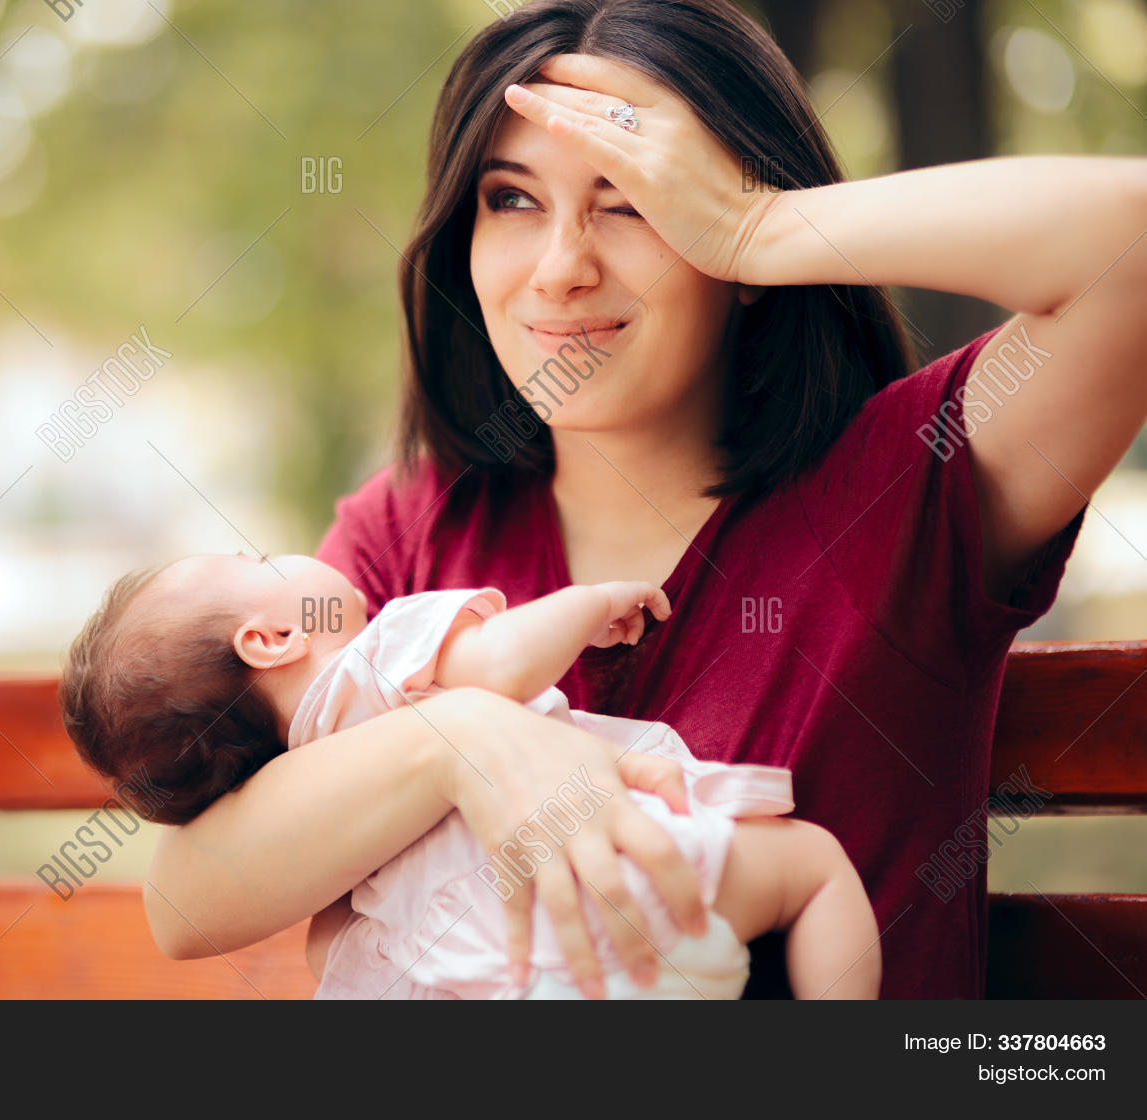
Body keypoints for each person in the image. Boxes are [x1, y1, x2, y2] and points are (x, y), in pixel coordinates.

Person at [142, 0, 1146, 999]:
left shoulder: (909, 482)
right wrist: (467, 745)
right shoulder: (412, 529)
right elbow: (186, 903)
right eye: (511, 198)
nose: (560, 270)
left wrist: (757, 225)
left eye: (628, 202)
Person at [58, 550, 880, 998]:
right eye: (261, 559)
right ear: (271, 640)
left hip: (469, 977)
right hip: (616, 900)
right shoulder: (385, 651)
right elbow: (502, 661)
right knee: (810, 865)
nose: (287, 552)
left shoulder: (308, 783)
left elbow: (326, 944)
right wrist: (590, 604)